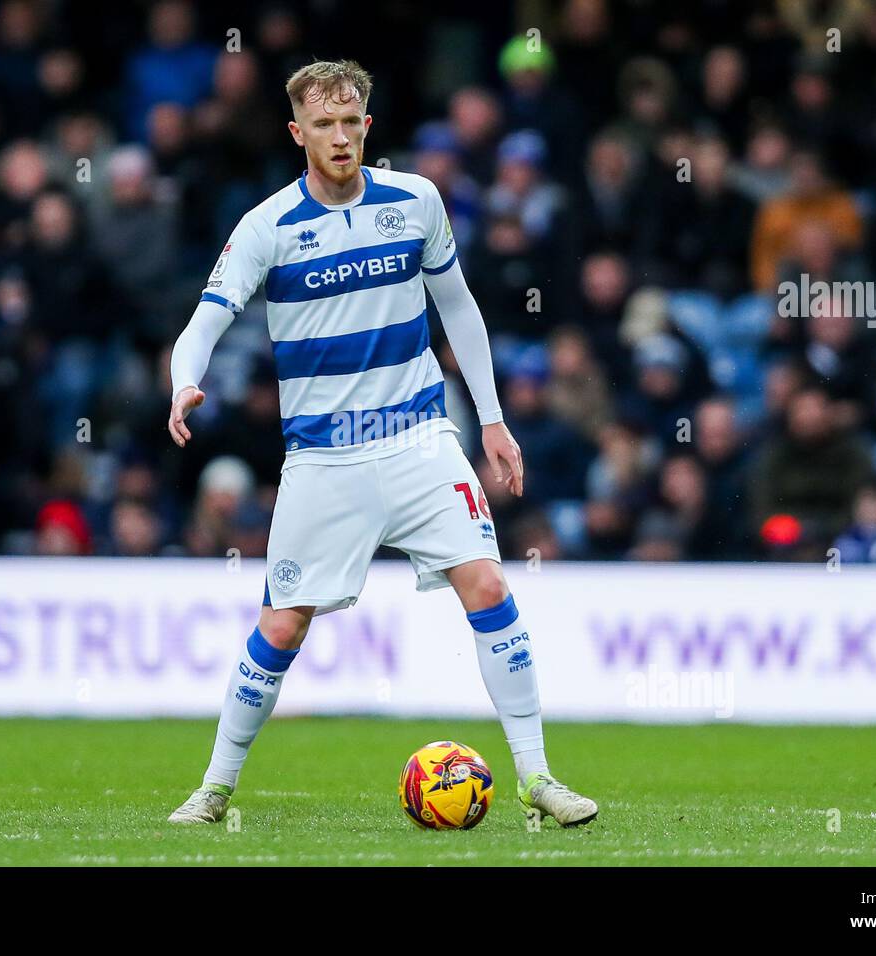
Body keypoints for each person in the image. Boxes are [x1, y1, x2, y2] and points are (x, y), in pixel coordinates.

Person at [165, 60, 597, 828]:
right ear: (297, 133)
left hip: (420, 438)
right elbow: (204, 322)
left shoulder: (416, 201)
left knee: (490, 587)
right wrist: (183, 382)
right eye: (323, 125)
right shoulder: (267, 226)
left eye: (351, 121)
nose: (340, 137)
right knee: (281, 626)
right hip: (324, 459)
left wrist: (492, 420)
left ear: (368, 124)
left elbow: (460, 311)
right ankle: (214, 787)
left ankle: (537, 778)